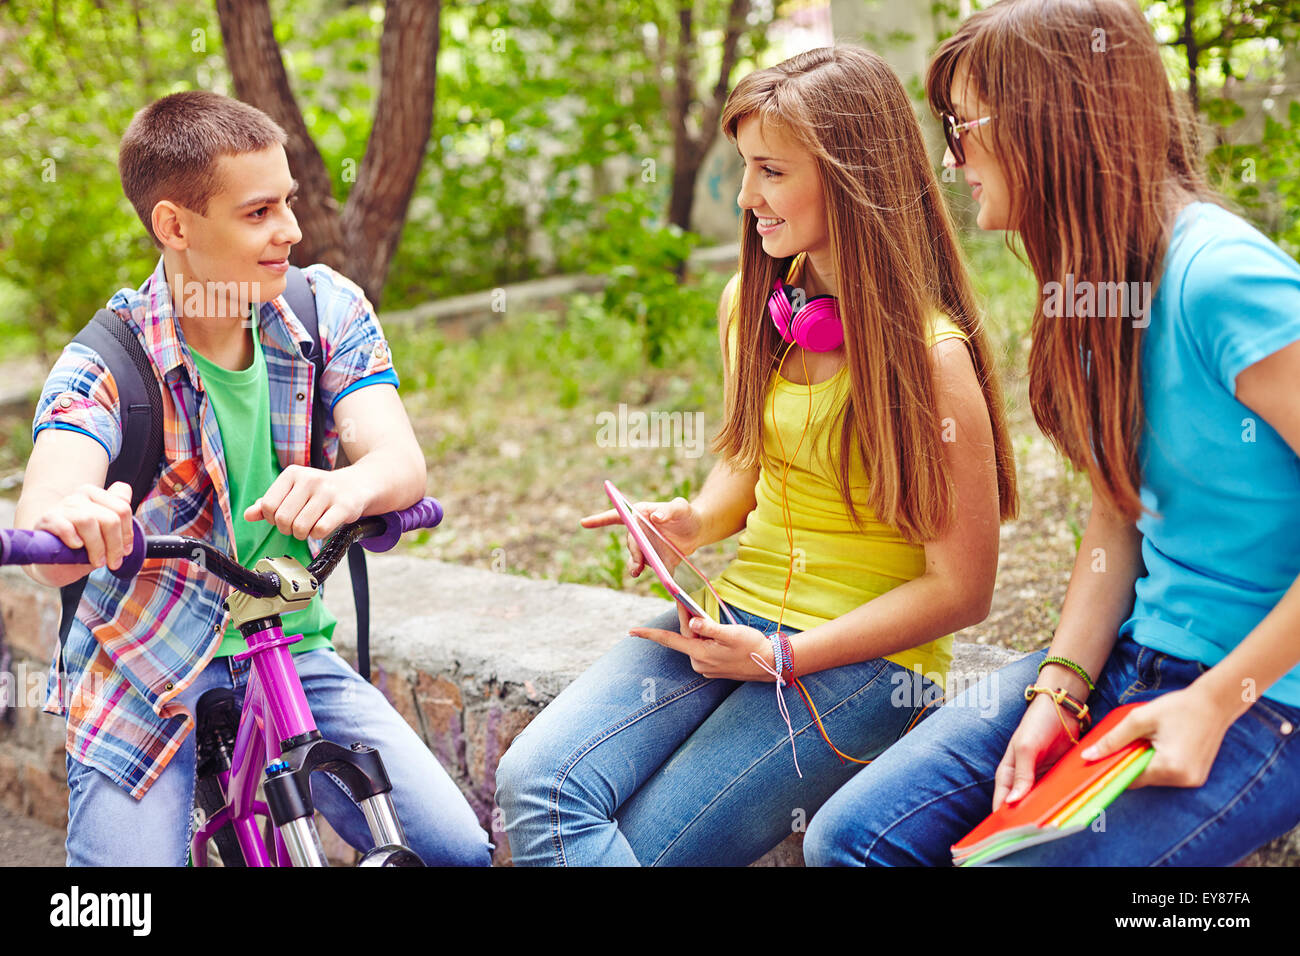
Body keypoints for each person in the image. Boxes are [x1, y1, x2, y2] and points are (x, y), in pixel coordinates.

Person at [494, 45, 1018, 866]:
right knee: (536, 783)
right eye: (745, 168)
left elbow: (963, 589)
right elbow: (748, 466)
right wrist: (694, 521)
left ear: (851, 173)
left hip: (866, 665)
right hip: (738, 618)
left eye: (770, 171)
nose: (747, 199)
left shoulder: (933, 357)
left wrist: (785, 656)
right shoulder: (757, 304)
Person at [805, 0, 1300, 867]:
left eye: (963, 127)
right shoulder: (1090, 288)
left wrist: (1217, 699)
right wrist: (1059, 692)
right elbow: (1119, 516)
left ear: (1052, 119)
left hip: (1268, 694)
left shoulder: (1220, 278)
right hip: (1136, 655)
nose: (950, 158)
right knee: (854, 839)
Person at [14, 90, 491, 866]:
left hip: (287, 648)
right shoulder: (104, 363)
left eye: (289, 204)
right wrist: (80, 519)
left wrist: (352, 487)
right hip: (149, 670)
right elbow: (50, 523)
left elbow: (399, 463)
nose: (291, 232)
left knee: (456, 853)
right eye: (258, 212)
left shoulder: (323, 309)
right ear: (174, 226)